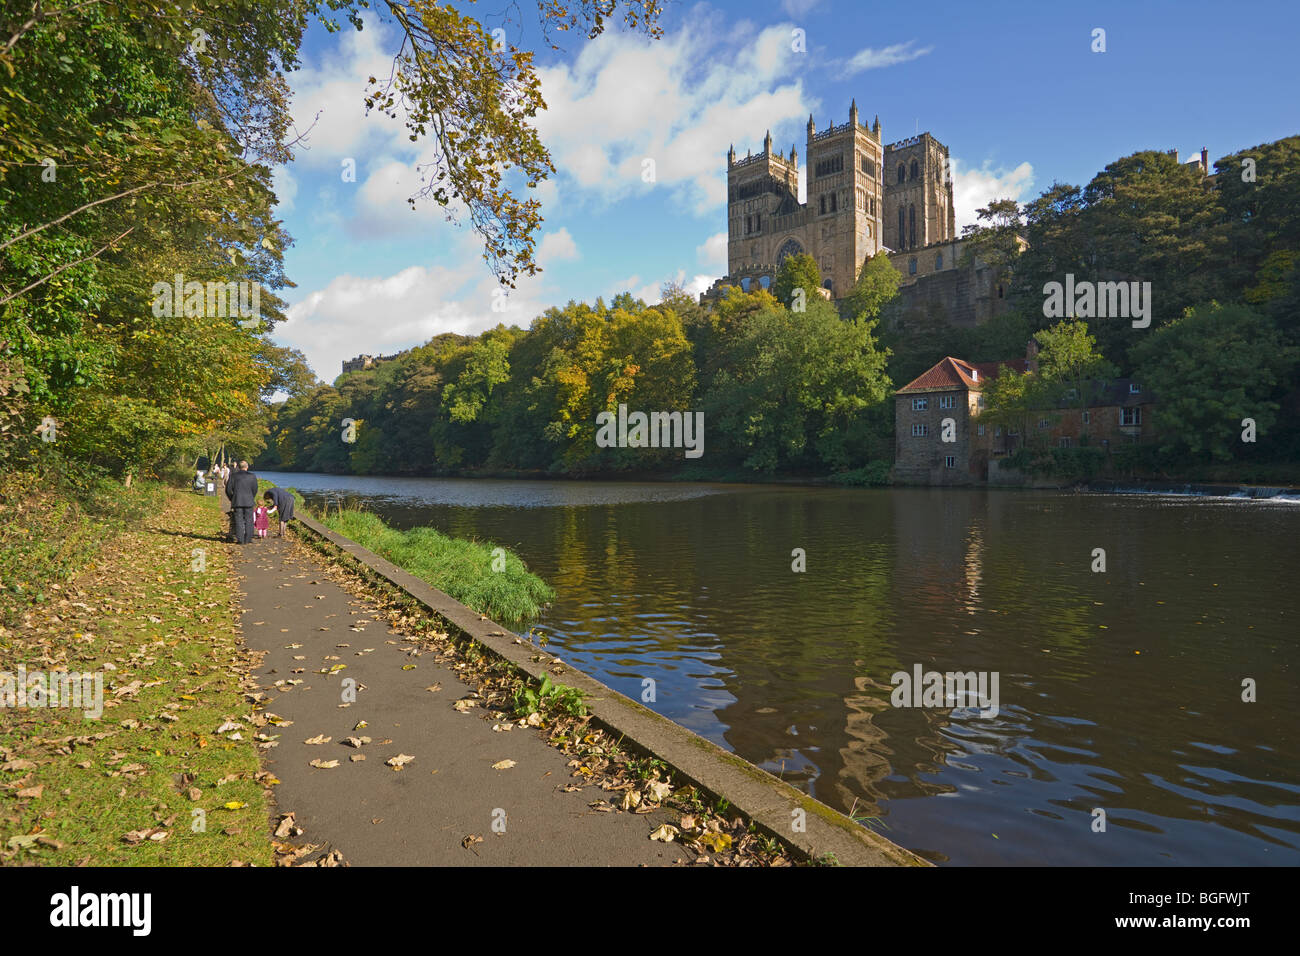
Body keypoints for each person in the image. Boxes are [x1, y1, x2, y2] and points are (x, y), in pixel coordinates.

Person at [226, 461, 259, 544]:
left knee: (239, 520)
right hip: (249, 501)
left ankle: (240, 539)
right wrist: (251, 497)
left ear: (239, 467)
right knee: (249, 520)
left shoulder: (233, 476)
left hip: (237, 501)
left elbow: (228, 490)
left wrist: (232, 498)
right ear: (247, 467)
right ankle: (248, 539)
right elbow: (255, 489)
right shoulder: (252, 476)